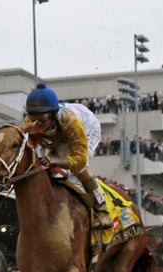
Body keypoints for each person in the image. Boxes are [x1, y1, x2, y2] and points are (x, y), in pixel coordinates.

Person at [24, 83, 109, 229]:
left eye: (42, 119)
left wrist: (55, 160)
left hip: (86, 127)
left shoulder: (70, 121)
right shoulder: (30, 123)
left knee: (78, 170)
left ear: (52, 115)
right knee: (46, 170)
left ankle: (101, 209)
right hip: (58, 136)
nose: (37, 124)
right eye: (33, 119)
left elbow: (79, 160)